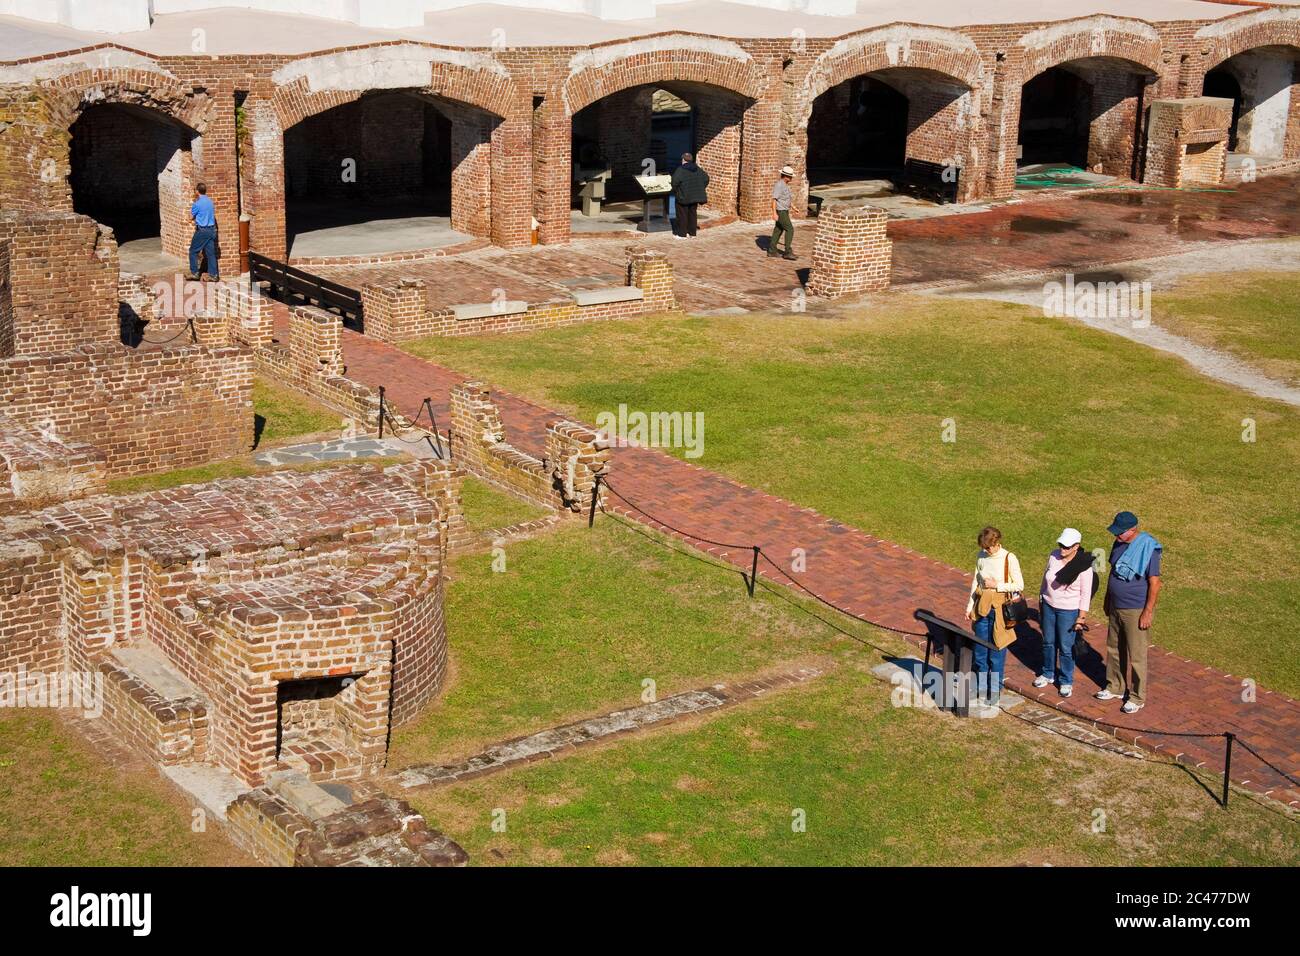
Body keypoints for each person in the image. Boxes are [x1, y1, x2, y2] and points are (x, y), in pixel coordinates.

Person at [1096, 511, 1161, 714]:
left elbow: (1155, 583)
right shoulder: (1118, 544)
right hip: (1116, 605)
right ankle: (1115, 686)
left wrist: (1147, 611)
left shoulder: (1149, 549)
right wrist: (1108, 598)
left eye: (1120, 533)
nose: (1116, 536)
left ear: (1132, 530)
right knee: (1114, 648)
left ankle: (1137, 697)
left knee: (1137, 655)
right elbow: (1114, 572)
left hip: (1135, 609)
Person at [964, 526, 1024, 707]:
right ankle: (982, 687)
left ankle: (995, 689)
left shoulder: (1008, 557)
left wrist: (996, 585)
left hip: (999, 610)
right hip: (982, 607)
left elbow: (1019, 584)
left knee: (997, 652)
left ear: (997, 543)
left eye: (988, 547)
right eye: (983, 547)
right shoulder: (981, 556)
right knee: (981, 651)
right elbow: (976, 581)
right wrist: (969, 607)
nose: (986, 551)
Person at [1036, 527, 1094, 698]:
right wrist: (1041, 598)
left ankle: (1066, 680)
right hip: (1048, 605)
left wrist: (1081, 618)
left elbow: (1085, 594)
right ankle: (1047, 673)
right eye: (1061, 544)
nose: (1063, 548)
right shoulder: (1053, 556)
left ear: (1076, 546)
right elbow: (1045, 579)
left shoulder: (1084, 567)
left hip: (1068, 611)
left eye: (1067, 546)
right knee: (1048, 642)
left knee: (1066, 647)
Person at [669, 153, 709, 239]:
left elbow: (674, 182)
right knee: (692, 214)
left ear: (683, 160)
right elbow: (706, 178)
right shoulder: (697, 169)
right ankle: (692, 233)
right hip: (694, 196)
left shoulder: (680, 170)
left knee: (682, 215)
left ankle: (682, 234)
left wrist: (677, 191)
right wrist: (700, 188)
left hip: (683, 196)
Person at [188, 182, 219, 282]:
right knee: (211, 254)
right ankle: (214, 275)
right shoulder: (210, 201)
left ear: (197, 191)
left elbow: (191, 217)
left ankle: (195, 273)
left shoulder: (197, 204)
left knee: (193, 251)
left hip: (202, 231)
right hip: (212, 230)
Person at [769, 165, 797, 261]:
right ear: (786, 176)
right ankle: (787, 252)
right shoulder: (779, 185)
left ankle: (772, 250)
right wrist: (774, 213)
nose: (791, 178)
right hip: (781, 211)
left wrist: (793, 207)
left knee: (778, 230)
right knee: (790, 229)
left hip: (784, 210)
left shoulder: (785, 185)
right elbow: (774, 199)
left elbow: (786, 198)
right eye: (790, 176)